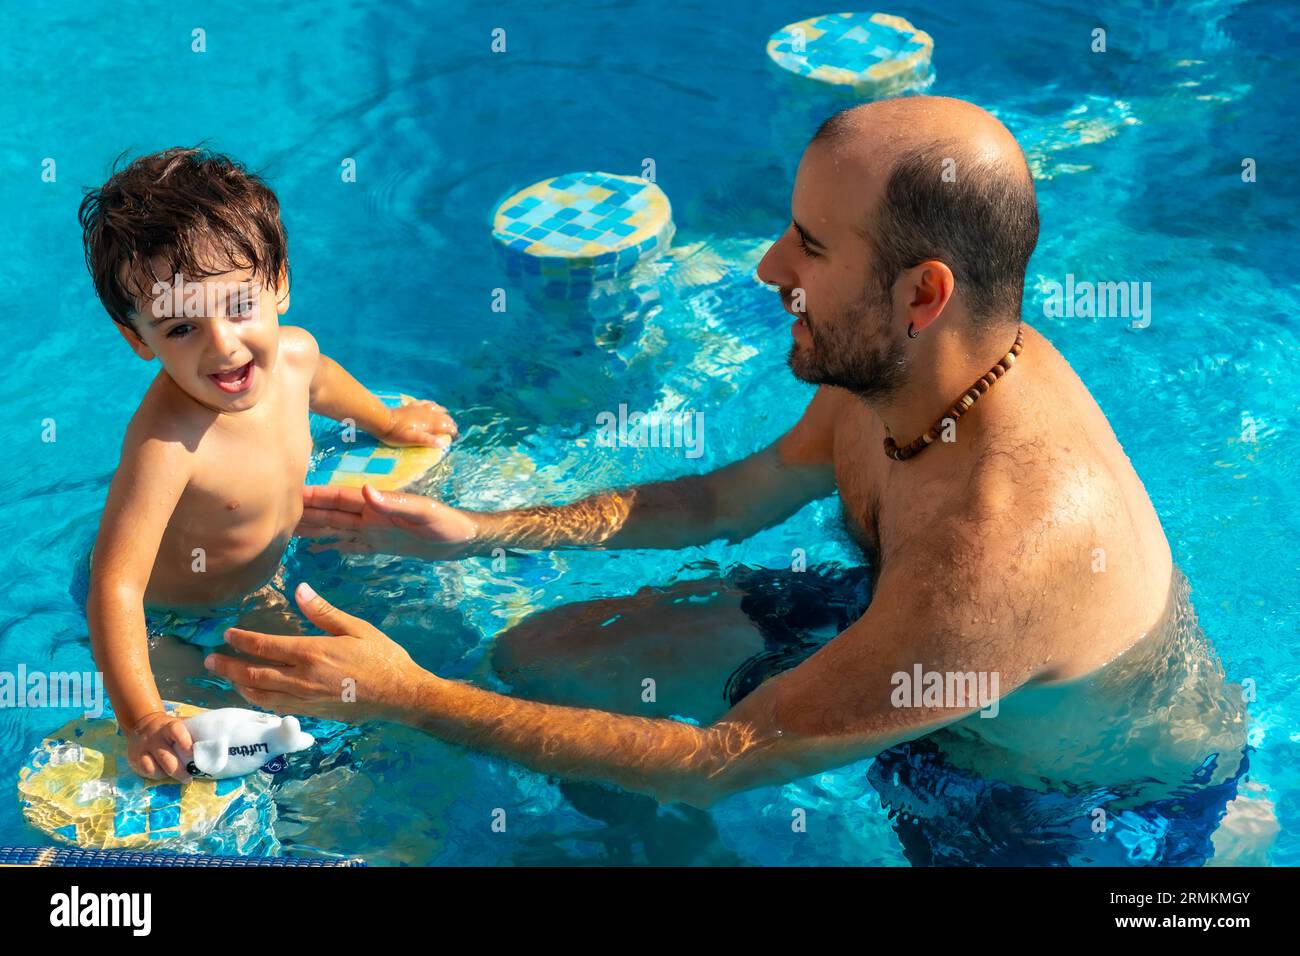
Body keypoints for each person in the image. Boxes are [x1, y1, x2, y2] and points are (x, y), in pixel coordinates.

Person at [206, 98, 1248, 863]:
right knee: (548, 654)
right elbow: (725, 499)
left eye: (808, 244)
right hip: (911, 637)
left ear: (920, 292)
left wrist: (410, 695)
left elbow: (725, 754)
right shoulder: (906, 369)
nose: (766, 269)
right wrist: (477, 530)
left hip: (1068, 798)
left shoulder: (1000, 547)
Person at [78, 147, 458, 782]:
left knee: (328, 706)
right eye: (179, 330)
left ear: (278, 281)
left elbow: (325, 382)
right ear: (138, 340)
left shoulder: (294, 354)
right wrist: (141, 718)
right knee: (215, 747)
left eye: (237, 307)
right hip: (161, 622)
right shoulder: (166, 445)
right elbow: (115, 587)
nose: (222, 345)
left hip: (261, 584)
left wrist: (387, 422)